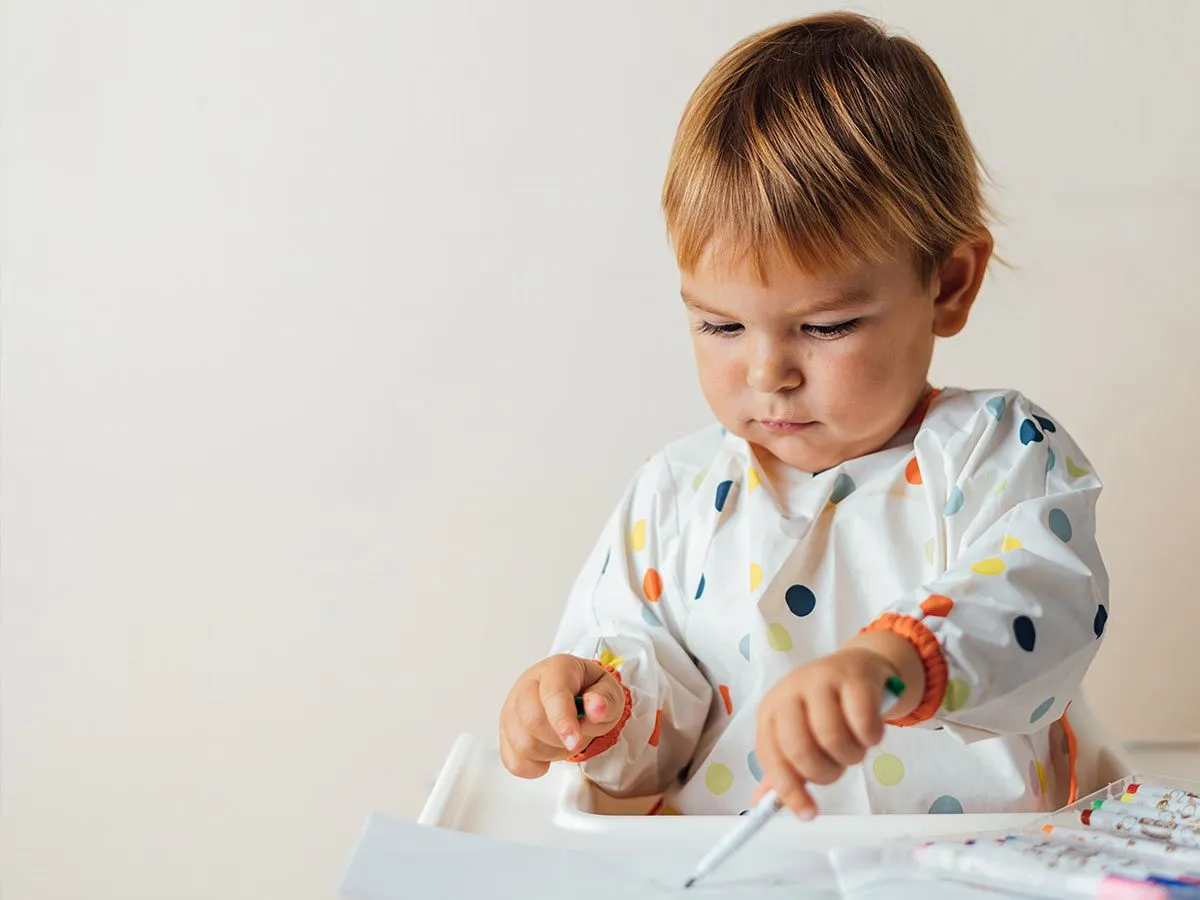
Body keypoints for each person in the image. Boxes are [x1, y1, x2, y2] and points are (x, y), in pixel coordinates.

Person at [498, 11, 1108, 817]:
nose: (767, 372)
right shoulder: (673, 496)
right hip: (734, 873)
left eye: (824, 328)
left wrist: (899, 659)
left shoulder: (997, 453)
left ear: (949, 284)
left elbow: (1044, 601)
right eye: (720, 325)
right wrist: (593, 705)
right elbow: (656, 713)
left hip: (966, 870)